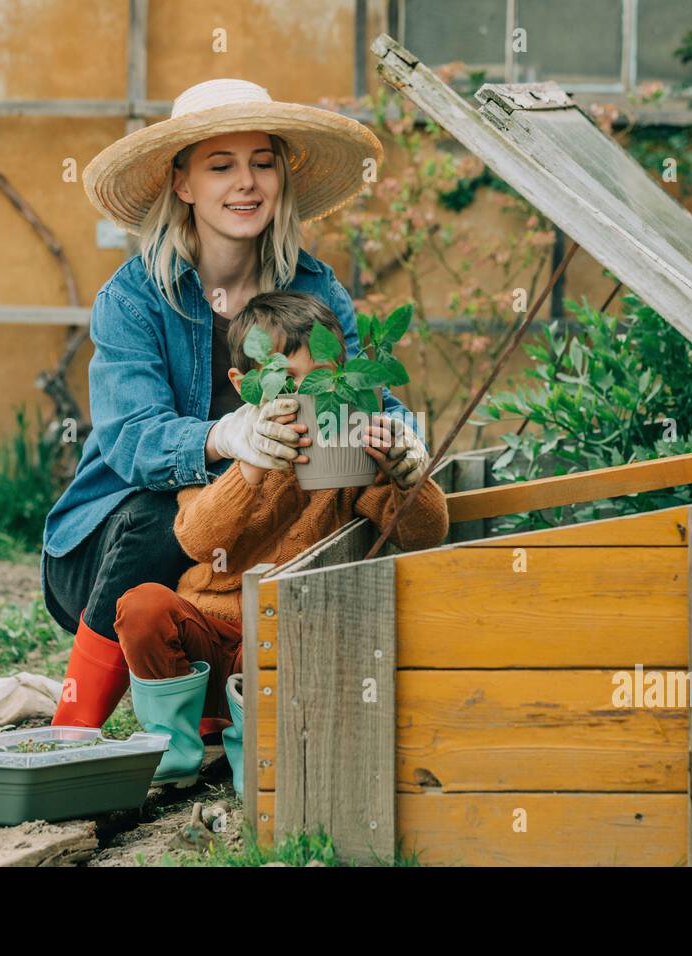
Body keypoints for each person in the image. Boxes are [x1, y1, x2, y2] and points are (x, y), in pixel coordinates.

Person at [41, 78, 429, 737]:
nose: (245, 183)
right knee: (159, 509)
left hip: (246, 550)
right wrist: (228, 433)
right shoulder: (135, 297)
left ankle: (225, 715)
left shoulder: (315, 288)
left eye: (262, 163)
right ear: (184, 183)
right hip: (114, 549)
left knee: (333, 489)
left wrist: (405, 440)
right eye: (221, 165)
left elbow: (363, 397)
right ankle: (71, 732)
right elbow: (132, 440)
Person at [115, 291, 448, 789]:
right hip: (208, 636)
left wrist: (407, 478)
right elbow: (198, 537)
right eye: (289, 381)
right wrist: (249, 466)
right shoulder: (225, 451)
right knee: (142, 607)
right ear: (246, 386)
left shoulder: (348, 460)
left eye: (326, 377)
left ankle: (258, 753)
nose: (313, 396)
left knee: (282, 632)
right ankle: (175, 748)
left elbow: (425, 533)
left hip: (280, 644)